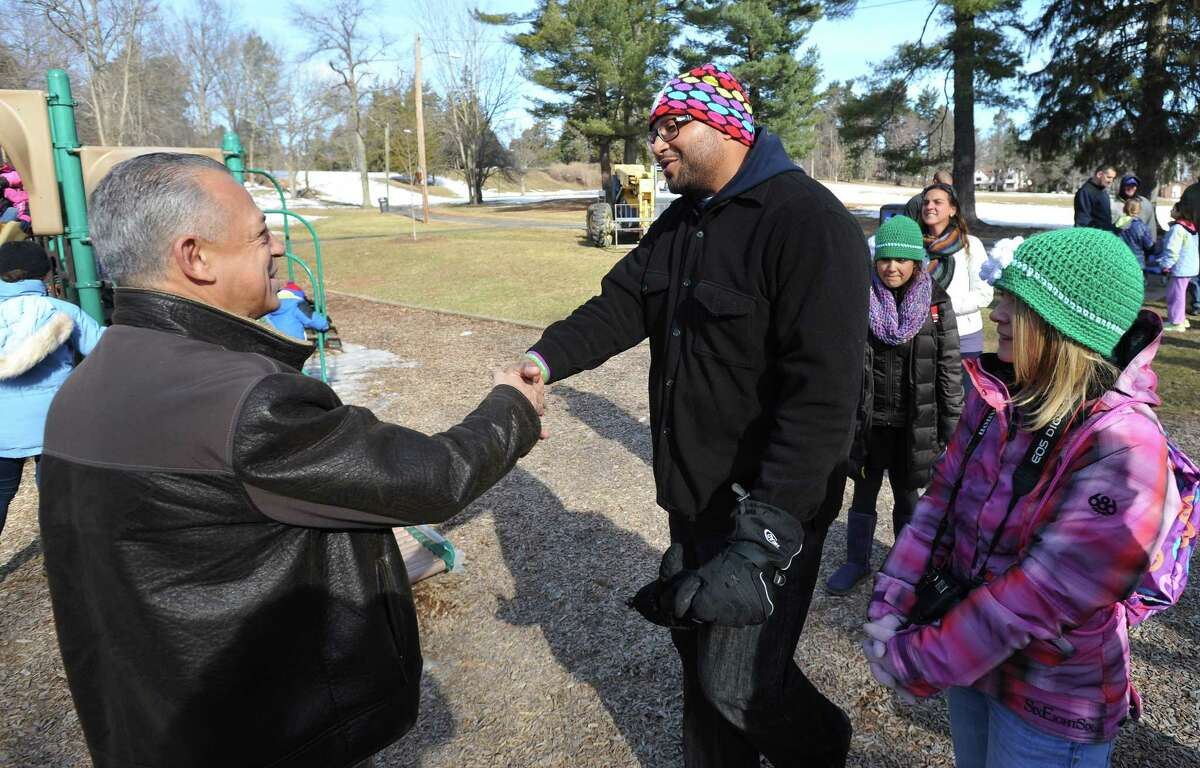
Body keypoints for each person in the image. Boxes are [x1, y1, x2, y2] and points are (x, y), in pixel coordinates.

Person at [38, 153, 546, 768]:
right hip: (253, 730)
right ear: (194, 257)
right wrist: (513, 407)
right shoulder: (243, 403)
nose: (275, 247)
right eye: (257, 234)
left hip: (146, 721)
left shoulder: (88, 382)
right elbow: (431, 479)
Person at [522, 62, 869, 767]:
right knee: (698, 655)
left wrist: (769, 533)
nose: (657, 145)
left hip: (766, 511)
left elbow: (825, 394)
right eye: (655, 130)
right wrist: (543, 360)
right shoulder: (684, 221)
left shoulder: (807, 221)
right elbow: (623, 303)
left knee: (741, 681)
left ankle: (825, 746)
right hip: (694, 498)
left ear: (724, 125)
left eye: (670, 126)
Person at [862, 227, 1173, 768]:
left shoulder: (1126, 445)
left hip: (1053, 698)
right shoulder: (997, 399)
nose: (997, 313)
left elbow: (1045, 594)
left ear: (1064, 326)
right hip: (974, 666)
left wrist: (920, 657)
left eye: (1015, 303)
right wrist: (892, 607)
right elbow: (936, 510)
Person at [825, 215, 963, 595]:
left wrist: (953, 430)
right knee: (863, 494)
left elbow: (949, 368)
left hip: (913, 424)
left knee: (908, 496)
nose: (892, 267)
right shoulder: (859, 298)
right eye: (885, 259)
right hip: (869, 422)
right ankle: (856, 561)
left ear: (915, 262)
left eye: (901, 260)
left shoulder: (935, 303)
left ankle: (909, 565)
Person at [0, 240, 103, 537]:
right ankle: (60, 562)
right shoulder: (62, 310)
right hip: (54, 423)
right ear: (45, 275)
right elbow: (101, 350)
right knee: (57, 500)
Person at [915, 182, 992, 367]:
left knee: (962, 394)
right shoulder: (915, 245)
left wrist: (941, 307)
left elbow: (984, 294)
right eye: (926, 202)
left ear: (952, 209)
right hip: (922, 333)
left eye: (937, 202)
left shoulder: (970, 245)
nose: (929, 206)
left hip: (963, 336)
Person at [1157, 182, 1199, 332]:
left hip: (1180, 268)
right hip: (1190, 268)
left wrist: (1165, 265)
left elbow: (1171, 250)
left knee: (1175, 295)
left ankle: (1176, 322)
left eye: (1173, 208)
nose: (1171, 210)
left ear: (1180, 211)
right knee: (1182, 293)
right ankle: (1181, 318)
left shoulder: (1177, 229)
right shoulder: (1191, 228)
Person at [264, 280, 329, 340]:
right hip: (293, 342)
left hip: (272, 340)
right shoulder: (297, 304)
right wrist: (325, 325)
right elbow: (313, 319)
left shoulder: (270, 303)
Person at [1112, 174, 1157, 240]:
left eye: (1134, 185)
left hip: (1139, 247)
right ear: (1122, 186)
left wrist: (1152, 244)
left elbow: (1151, 227)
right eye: (1128, 185)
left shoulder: (1145, 203)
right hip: (1119, 245)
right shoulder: (1113, 203)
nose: (1131, 188)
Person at [1115, 197, 1157, 269]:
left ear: (1124, 209)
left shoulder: (1117, 224)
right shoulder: (1141, 226)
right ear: (1139, 210)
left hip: (1121, 260)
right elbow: (1148, 245)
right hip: (1137, 261)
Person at [1073, 165, 1117, 232]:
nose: (1111, 181)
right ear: (1099, 174)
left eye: (1113, 178)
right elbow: (1082, 221)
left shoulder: (1103, 192)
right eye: (1108, 177)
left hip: (1105, 236)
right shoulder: (1085, 192)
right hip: (1092, 237)